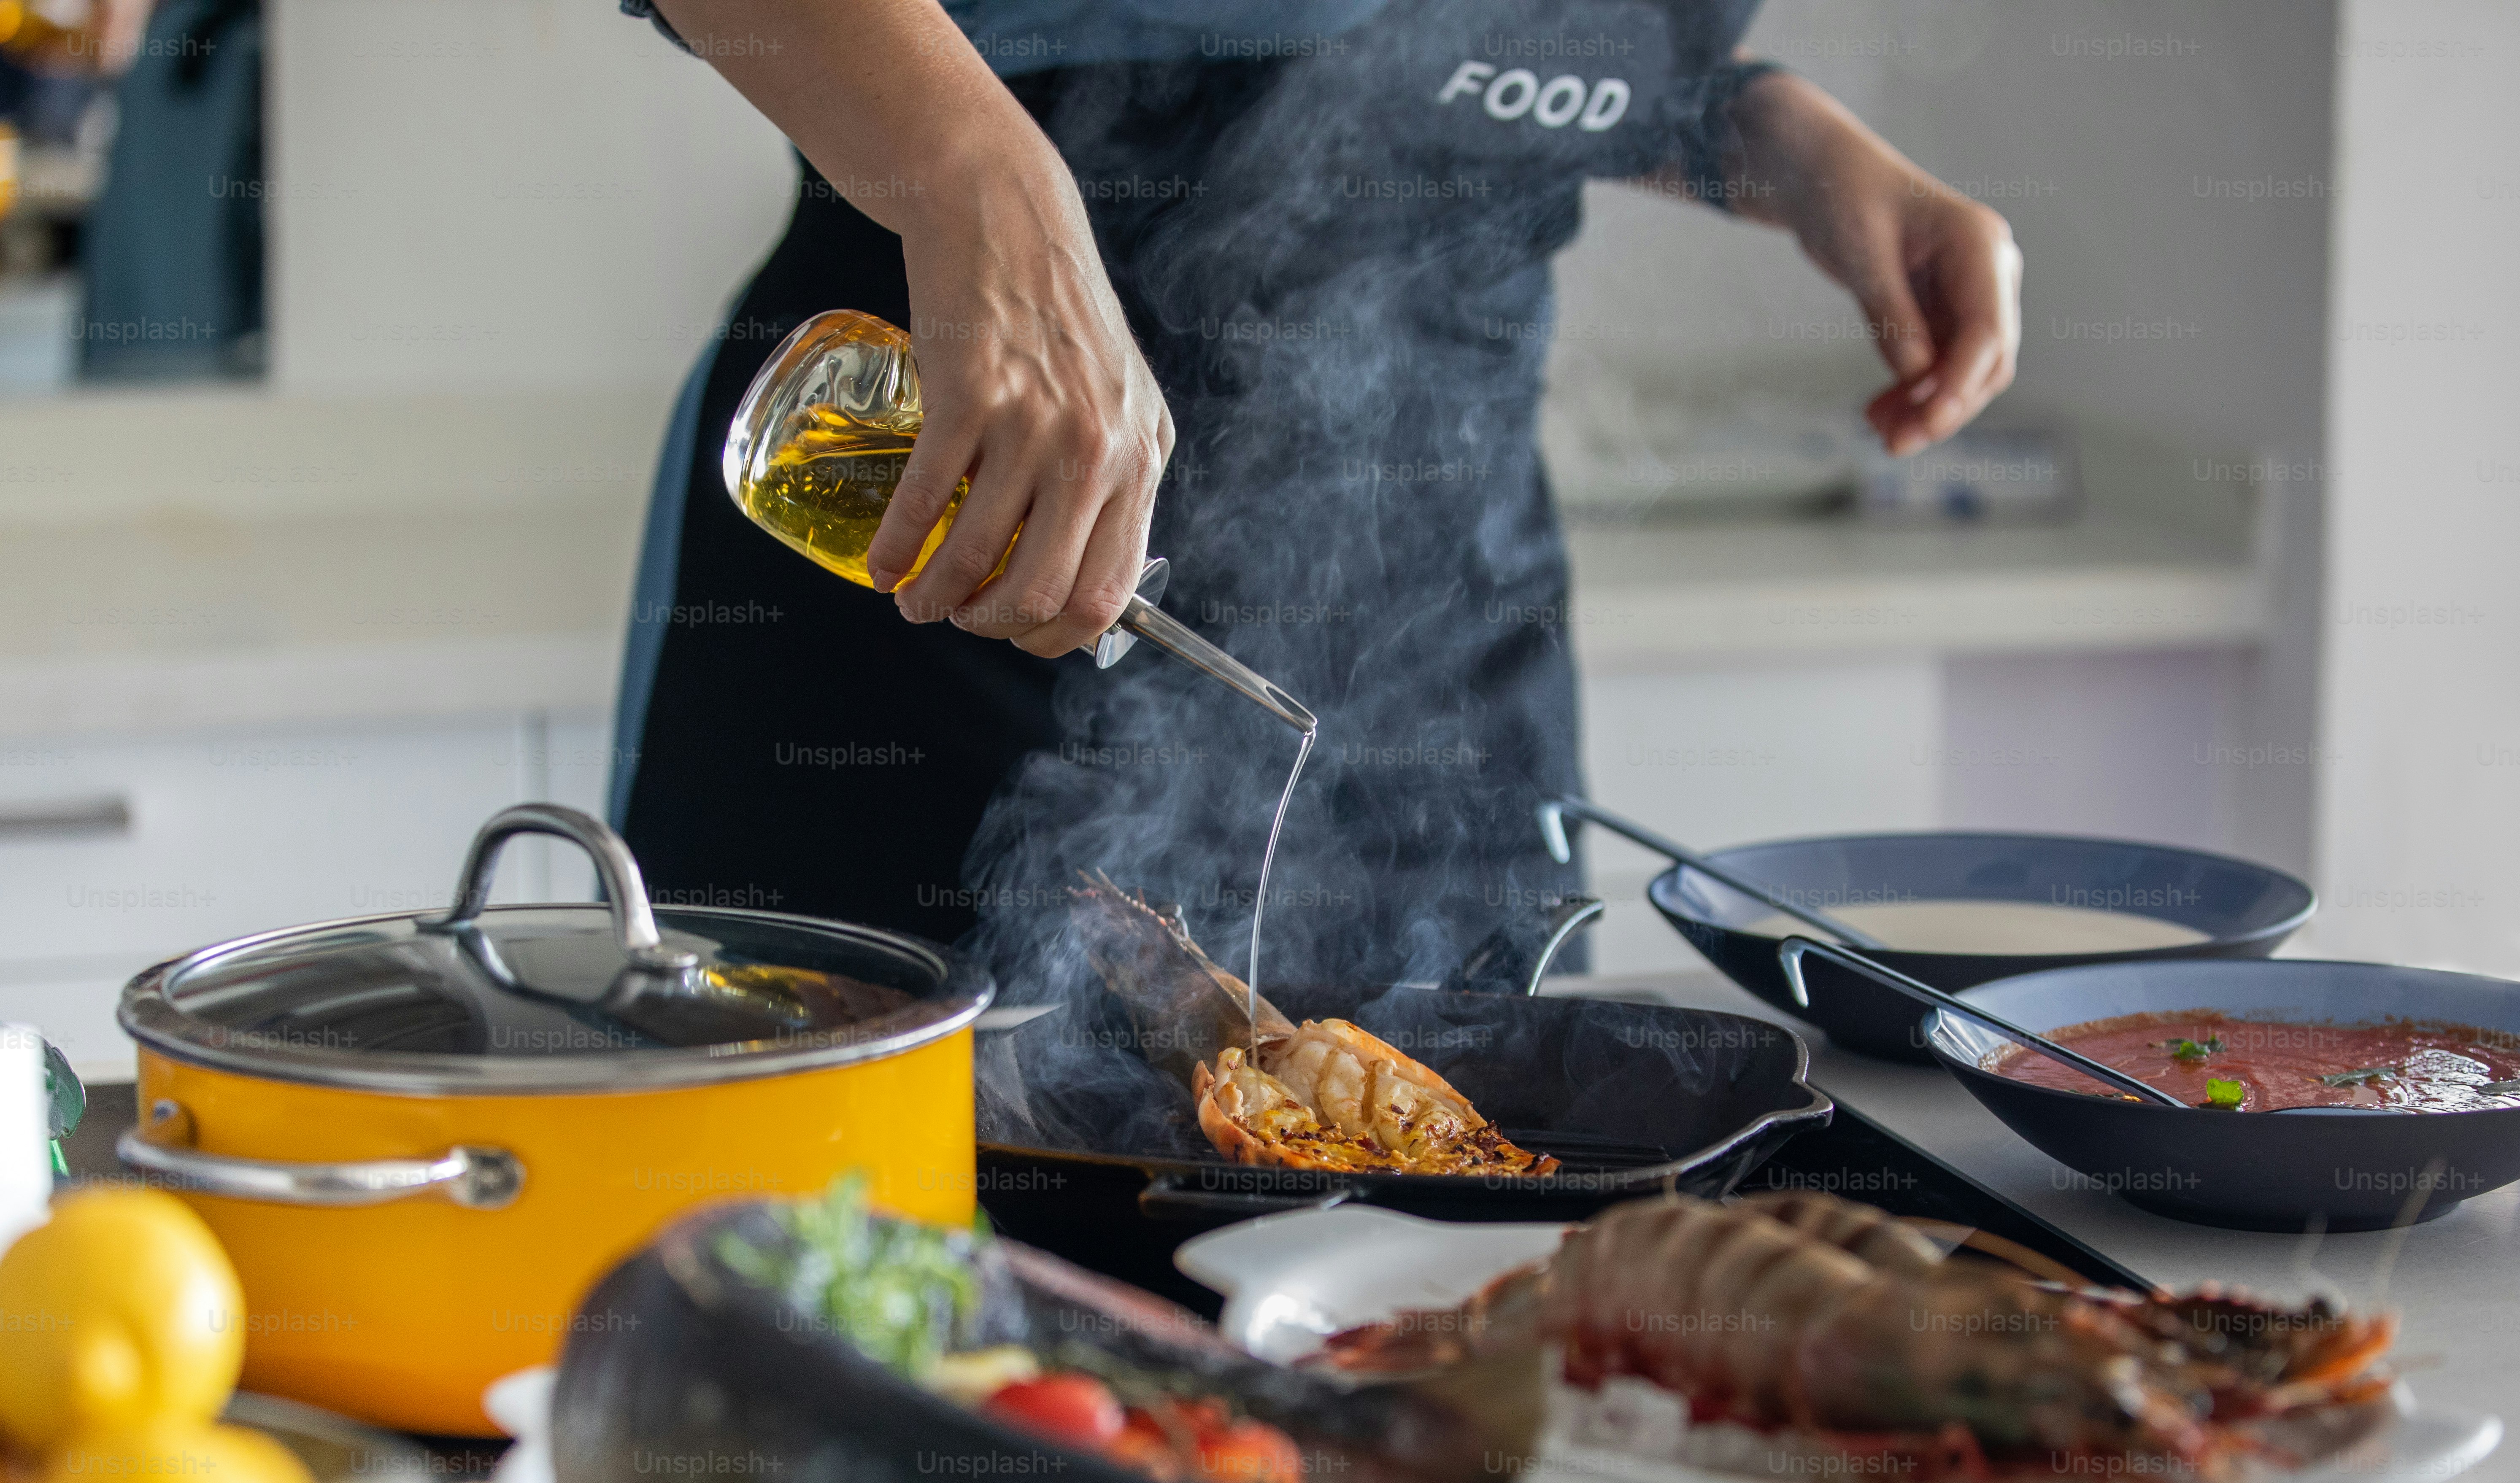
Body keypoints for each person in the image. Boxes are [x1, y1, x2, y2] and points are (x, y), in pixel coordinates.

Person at [609, 0, 2019, 992]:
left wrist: (1761, 128)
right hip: (952, 565)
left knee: (1460, 1266)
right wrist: (970, 176)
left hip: (1449, 670)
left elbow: (1500, 51)